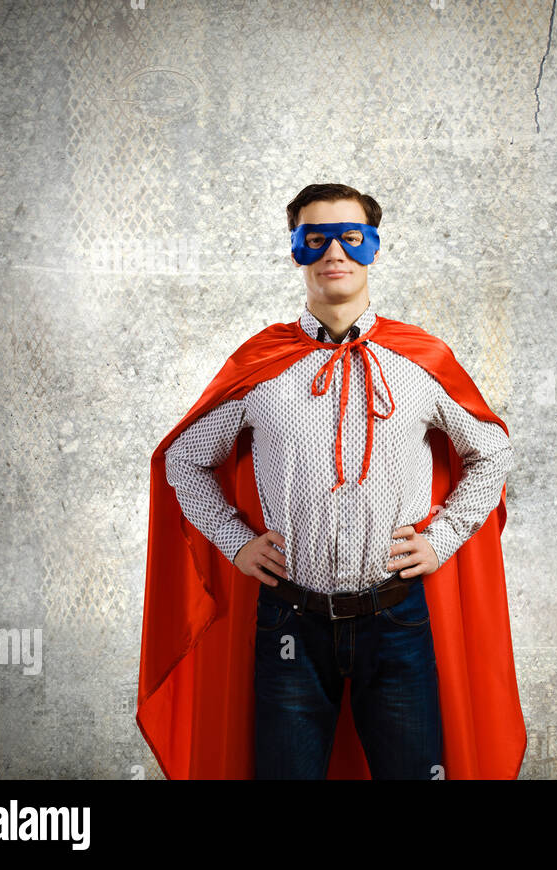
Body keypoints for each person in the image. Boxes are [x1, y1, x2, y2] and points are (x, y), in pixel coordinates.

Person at [138, 183, 524, 779]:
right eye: (315, 238)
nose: (334, 252)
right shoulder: (261, 364)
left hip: (395, 620)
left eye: (352, 236)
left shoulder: (420, 362)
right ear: (297, 250)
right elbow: (184, 460)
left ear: (372, 248)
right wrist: (236, 543)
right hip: (290, 623)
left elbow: (490, 450)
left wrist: (441, 539)